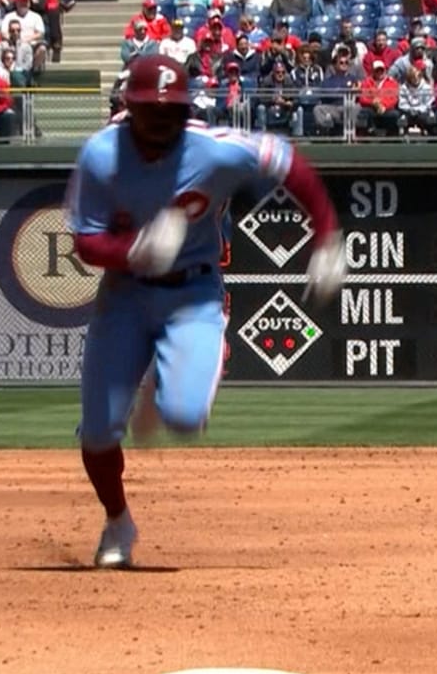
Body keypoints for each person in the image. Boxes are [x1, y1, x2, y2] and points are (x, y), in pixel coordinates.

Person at [66, 55, 346, 568]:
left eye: (171, 111)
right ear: (129, 107)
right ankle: (118, 521)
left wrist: (326, 234)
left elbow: (286, 161)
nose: (161, 121)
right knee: (99, 432)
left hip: (192, 293)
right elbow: (85, 240)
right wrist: (132, 251)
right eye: (151, 110)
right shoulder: (101, 154)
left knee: (184, 415)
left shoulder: (212, 150)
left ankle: (175, 368)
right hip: (124, 293)